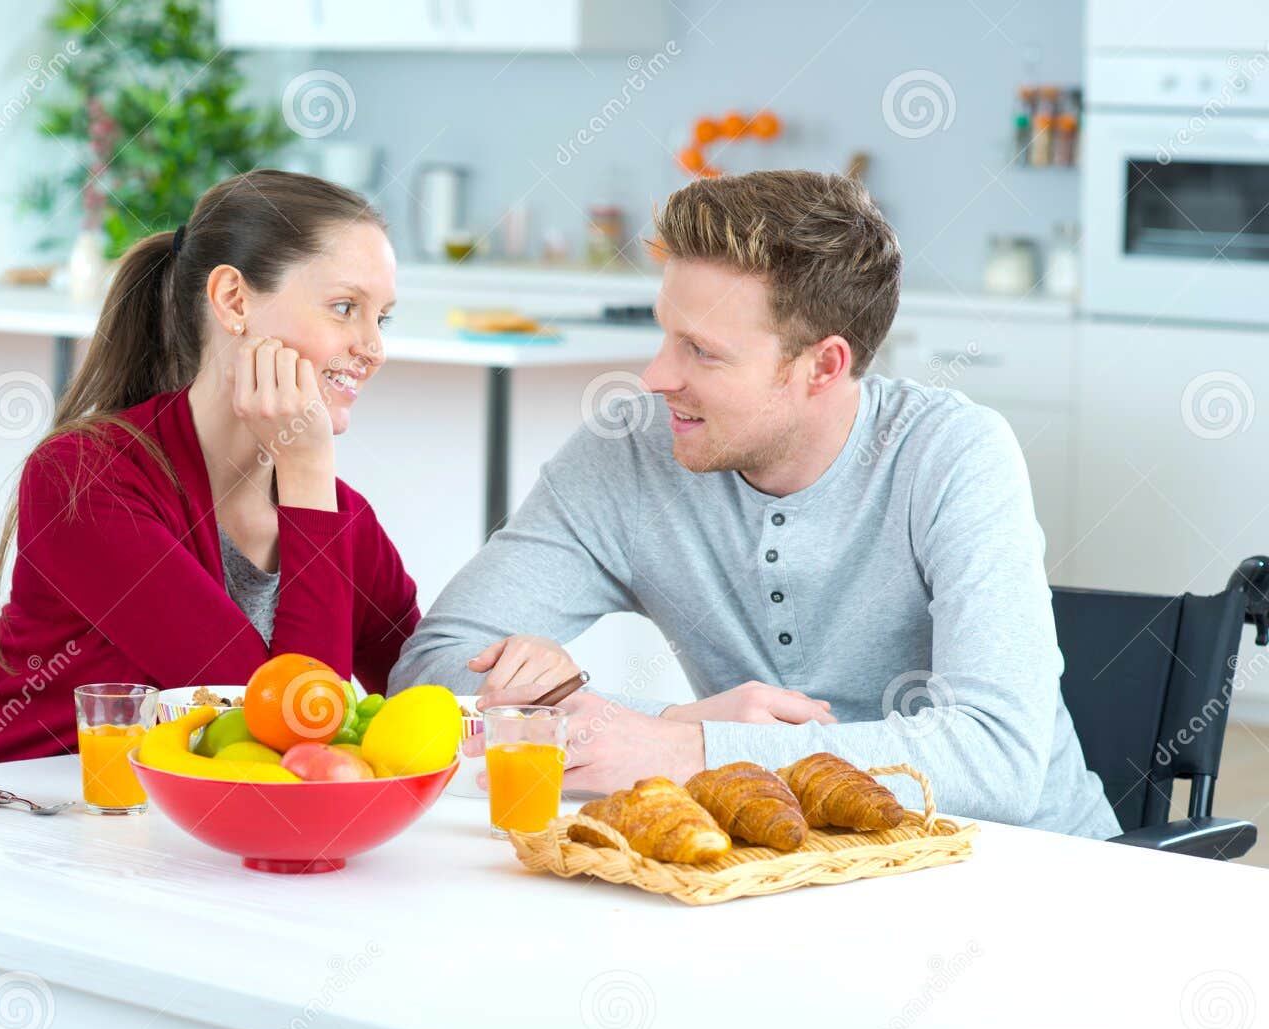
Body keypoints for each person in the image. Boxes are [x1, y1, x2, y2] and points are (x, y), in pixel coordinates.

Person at [392, 169, 1119, 838]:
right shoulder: (628, 453)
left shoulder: (952, 455)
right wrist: (676, 724)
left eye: (701, 352)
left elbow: (997, 763)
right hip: (785, 866)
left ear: (822, 366)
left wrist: (690, 748)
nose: (654, 376)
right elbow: (427, 674)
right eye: (664, 335)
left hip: (1026, 871)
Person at [0, 171, 418, 768]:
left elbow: (421, 693)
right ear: (234, 300)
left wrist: (530, 684)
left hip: (153, 843)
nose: (374, 349)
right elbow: (279, 733)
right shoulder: (83, 477)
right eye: (345, 308)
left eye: (382, 318)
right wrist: (307, 469)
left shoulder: (339, 518)